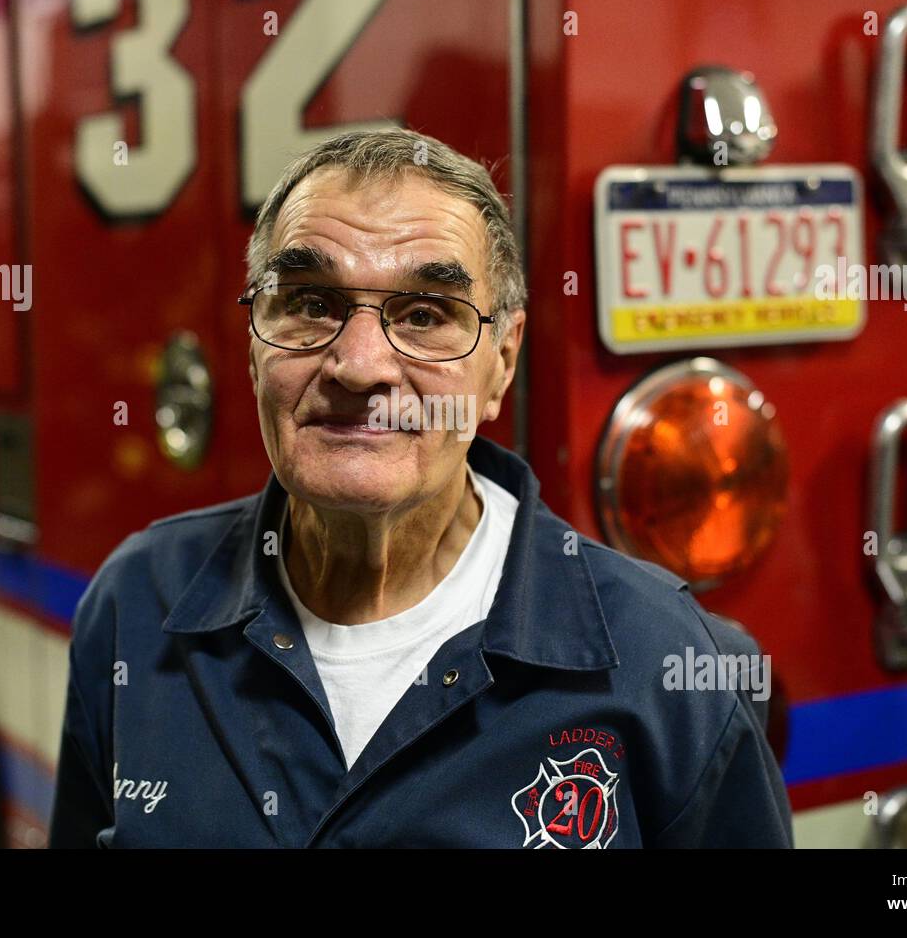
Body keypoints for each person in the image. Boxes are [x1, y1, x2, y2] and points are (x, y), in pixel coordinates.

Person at [48, 128, 793, 848]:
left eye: (427, 314)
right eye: (310, 304)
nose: (360, 364)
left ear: (502, 363)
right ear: (252, 347)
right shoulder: (137, 606)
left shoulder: (664, 660)